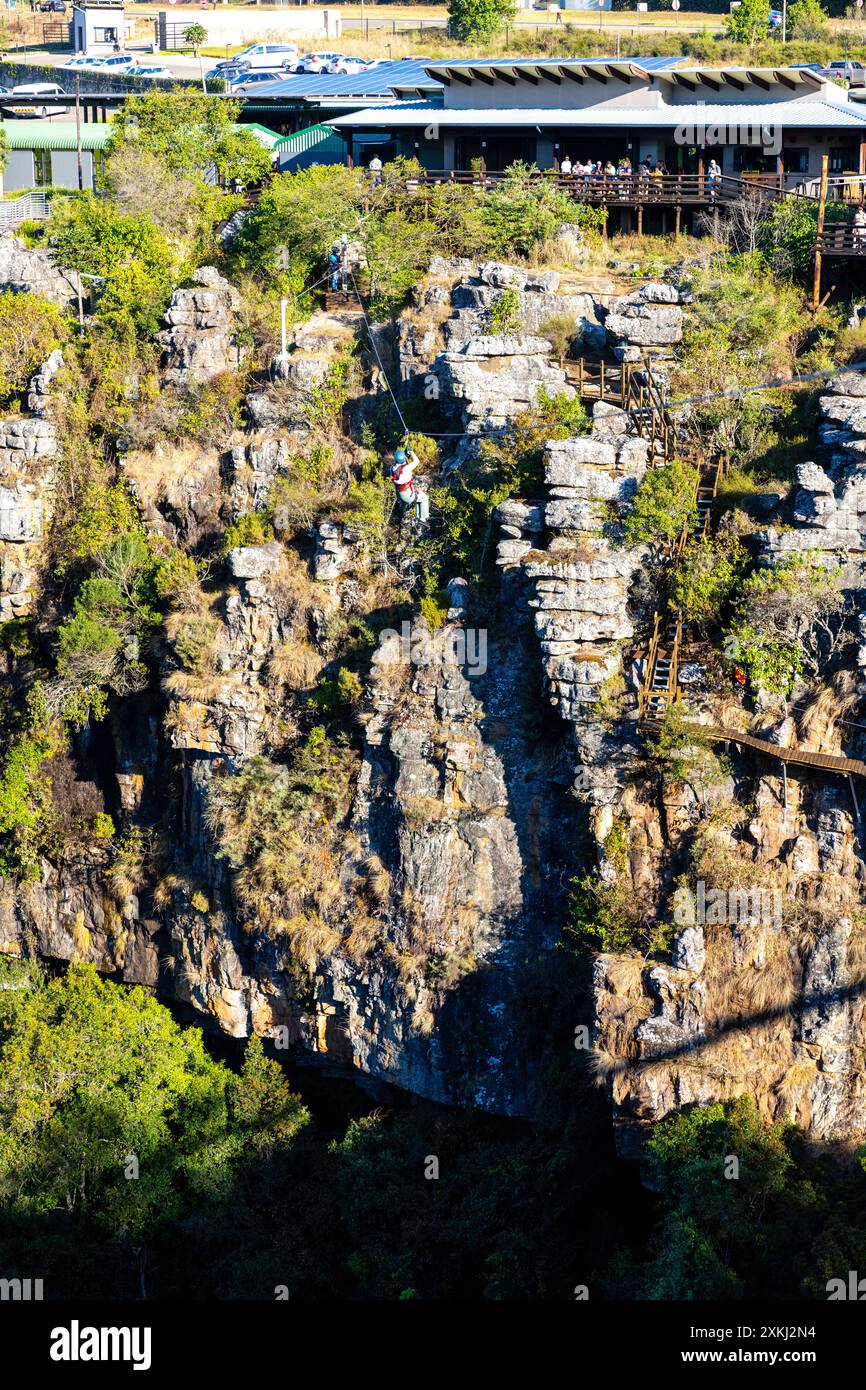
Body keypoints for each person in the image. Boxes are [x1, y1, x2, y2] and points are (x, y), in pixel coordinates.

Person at [391, 447, 429, 524]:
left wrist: (405, 454)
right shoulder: (406, 468)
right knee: (424, 498)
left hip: (400, 493)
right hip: (407, 495)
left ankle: (420, 517)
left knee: (420, 493)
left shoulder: (392, 468)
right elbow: (417, 461)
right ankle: (422, 519)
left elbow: (402, 463)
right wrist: (411, 452)